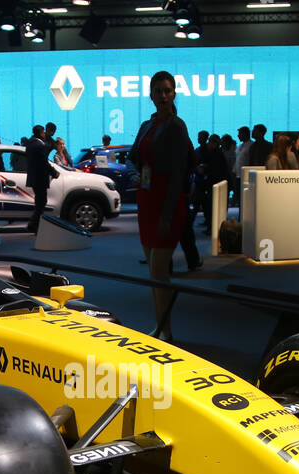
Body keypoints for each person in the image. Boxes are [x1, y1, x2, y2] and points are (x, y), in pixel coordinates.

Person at [129, 70, 192, 338]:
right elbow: (133, 157)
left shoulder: (177, 126)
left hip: (168, 204)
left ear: (174, 93)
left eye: (168, 91)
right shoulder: (147, 125)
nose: (164, 96)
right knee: (154, 276)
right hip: (146, 201)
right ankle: (161, 328)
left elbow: (179, 172)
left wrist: (167, 215)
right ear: (151, 95)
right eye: (159, 91)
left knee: (158, 273)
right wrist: (135, 173)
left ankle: (166, 332)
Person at [25, 124, 52, 233]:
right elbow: (44, 162)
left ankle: (35, 224)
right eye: (44, 132)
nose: (45, 134)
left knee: (39, 202)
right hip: (40, 177)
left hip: (34, 178)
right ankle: (33, 225)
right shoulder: (39, 145)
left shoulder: (30, 143)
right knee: (41, 202)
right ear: (41, 133)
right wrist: (54, 172)